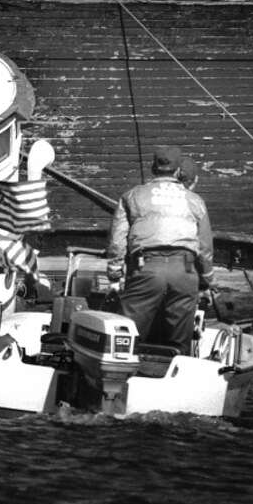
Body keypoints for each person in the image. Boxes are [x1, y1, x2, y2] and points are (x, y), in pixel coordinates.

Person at [106, 146, 214, 355]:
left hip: (146, 268)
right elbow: (205, 248)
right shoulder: (195, 200)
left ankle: (126, 369)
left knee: (127, 335)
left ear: (153, 168)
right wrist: (207, 281)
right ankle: (176, 368)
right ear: (178, 170)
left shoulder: (132, 196)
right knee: (179, 342)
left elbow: (117, 240)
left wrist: (114, 275)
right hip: (184, 271)